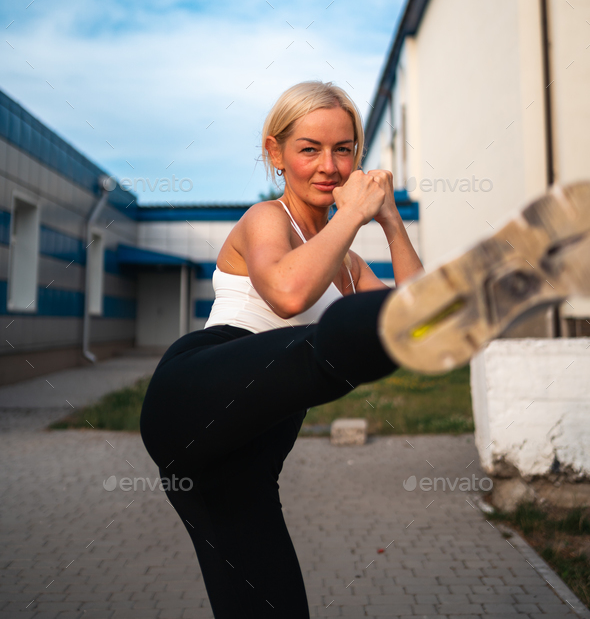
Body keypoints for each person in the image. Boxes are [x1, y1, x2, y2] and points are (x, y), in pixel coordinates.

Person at [140, 80, 590, 619]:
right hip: (197, 397)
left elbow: (423, 323)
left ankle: (482, 289)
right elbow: (287, 295)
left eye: (343, 148)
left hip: (249, 463)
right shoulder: (266, 221)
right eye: (309, 149)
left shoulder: (347, 264)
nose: (328, 166)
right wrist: (352, 215)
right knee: (323, 347)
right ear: (275, 152)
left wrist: (391, 219)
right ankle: (477, 288)